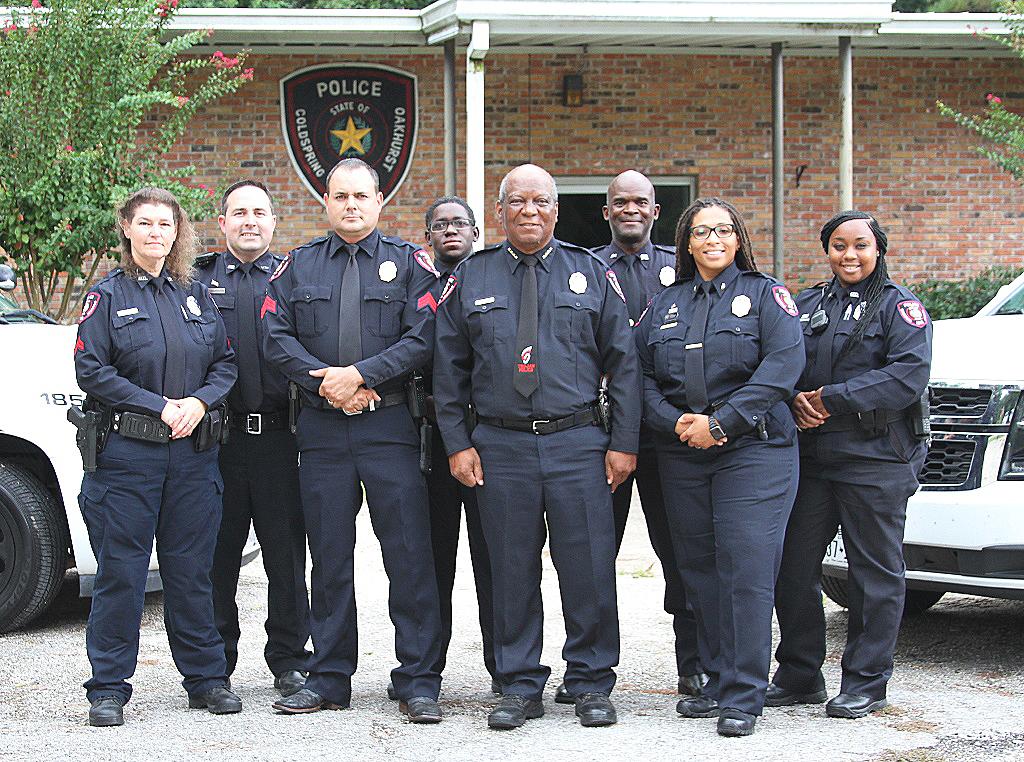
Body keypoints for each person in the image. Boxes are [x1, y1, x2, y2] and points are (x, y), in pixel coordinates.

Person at [433, 164, 640, 730]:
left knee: (588, 568)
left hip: (579, 443)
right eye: (517, 201)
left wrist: (624, 443)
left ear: (555, 209)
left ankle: (591, 681)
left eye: (541, 201)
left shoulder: (590, 272)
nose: (530, 211)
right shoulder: (471, 276)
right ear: (499, 211)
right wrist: (457, 444)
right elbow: (448, 372)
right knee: (510, 569)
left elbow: (624, 364)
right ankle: (519, 682)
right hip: (499, 446)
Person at [262, 158, 445, 723]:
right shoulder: (297, 266)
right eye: (340, 196)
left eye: (361, 195)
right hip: (322, 432)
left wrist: (361, 376)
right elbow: (274, 336)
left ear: (379, 199)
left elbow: (424, 336)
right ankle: (329, 677)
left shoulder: (410, 264)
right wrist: (329, 384)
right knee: (329, 559)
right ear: (326, 200)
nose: (351, 205)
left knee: (408, 557)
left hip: (389, 428)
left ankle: (418, 680)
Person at [634, 197, 804, 737]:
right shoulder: (665, 303)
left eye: (724, 230)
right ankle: (715, 678)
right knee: (698, 569)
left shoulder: (766, 295)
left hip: (753, 451)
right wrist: (675, 422)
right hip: (684, 451)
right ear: (685, 242)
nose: (713, 239)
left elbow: (782, 366)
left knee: (744, 568)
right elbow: (639, 373)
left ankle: (745, 693)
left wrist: (722, 423)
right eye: (702, 231)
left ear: (738, 240)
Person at [74, 187, 240, 727]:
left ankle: (206, 680)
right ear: (126, 228)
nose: (155, 233)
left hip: (192, 457)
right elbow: (91, 370)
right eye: (145, 223)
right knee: (121, 575)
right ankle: (108, 688)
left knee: (191, 574)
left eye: (165, 225)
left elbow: (225, 363)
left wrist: (199, 402)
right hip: (128, 457)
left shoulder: (195, 295)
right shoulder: (106, 296)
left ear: (177, 233)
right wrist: (159, 406)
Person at [769, 211, 932, 719]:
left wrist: (831, 398)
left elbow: (908, 375)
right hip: (813, 458)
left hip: (875, 457)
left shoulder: (900, 307)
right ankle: (799, 674)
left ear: (878, 249)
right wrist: (793, 398)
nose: (850, 255)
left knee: (873, 574)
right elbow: (778, 358)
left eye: (861, 245)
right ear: (827, 251)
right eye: (839, 245)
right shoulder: (807, 304)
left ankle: (866, 681)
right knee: (792, 566)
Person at [558, 170, 705, 704]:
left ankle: (696, 665)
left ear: (656, 210)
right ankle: (589, 671)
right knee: (592, 556)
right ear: (606, 212)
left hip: (667, 432)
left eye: (640, 202)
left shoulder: (680, 269)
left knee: (683, 552)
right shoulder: (584, 269)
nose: (630, 210)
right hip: (602, 433)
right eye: (620, 202)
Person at [194, 180, 311, 699]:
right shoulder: (196, 281)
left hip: (280, 441)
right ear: (222, 223)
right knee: (216, 558)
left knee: (286, 558)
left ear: (273, 222)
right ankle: (215, 663)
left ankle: (289, 659)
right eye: (239, 212)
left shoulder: (293, 277)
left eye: (259, 212)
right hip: (217, 442)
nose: (250, 221)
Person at [389, 196, 499, 696]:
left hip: (487, 437)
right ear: (427, 235)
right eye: (440, 225)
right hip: (428, 437)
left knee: (495, 558)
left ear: (475, 232)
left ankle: (505, 669)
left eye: (460, 223)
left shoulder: (494, 280)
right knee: (429, 562)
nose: (450, 230)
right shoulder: (413, 286)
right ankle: (423, 670)